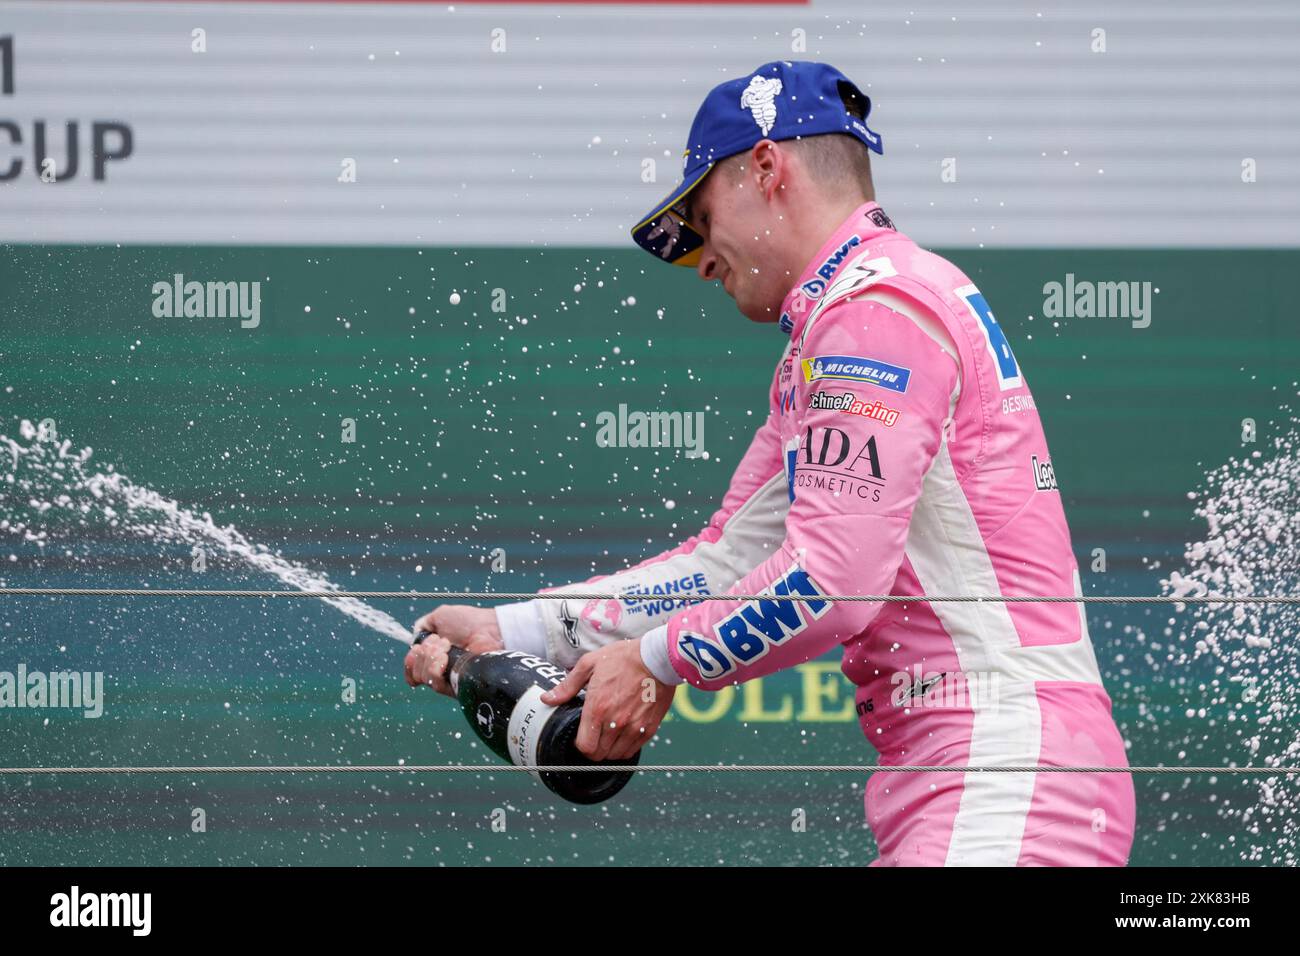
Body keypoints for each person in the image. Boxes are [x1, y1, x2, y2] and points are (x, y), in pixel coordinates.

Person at [405, 60, 1135, 866]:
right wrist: (518, 628)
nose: (697, 257)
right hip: (982, 773)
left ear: (765, 166)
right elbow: (724, 564)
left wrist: (655, 660)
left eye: (700, 213)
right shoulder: (842, 328)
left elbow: (830, 582)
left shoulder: (872, 314)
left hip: (1001, 773)